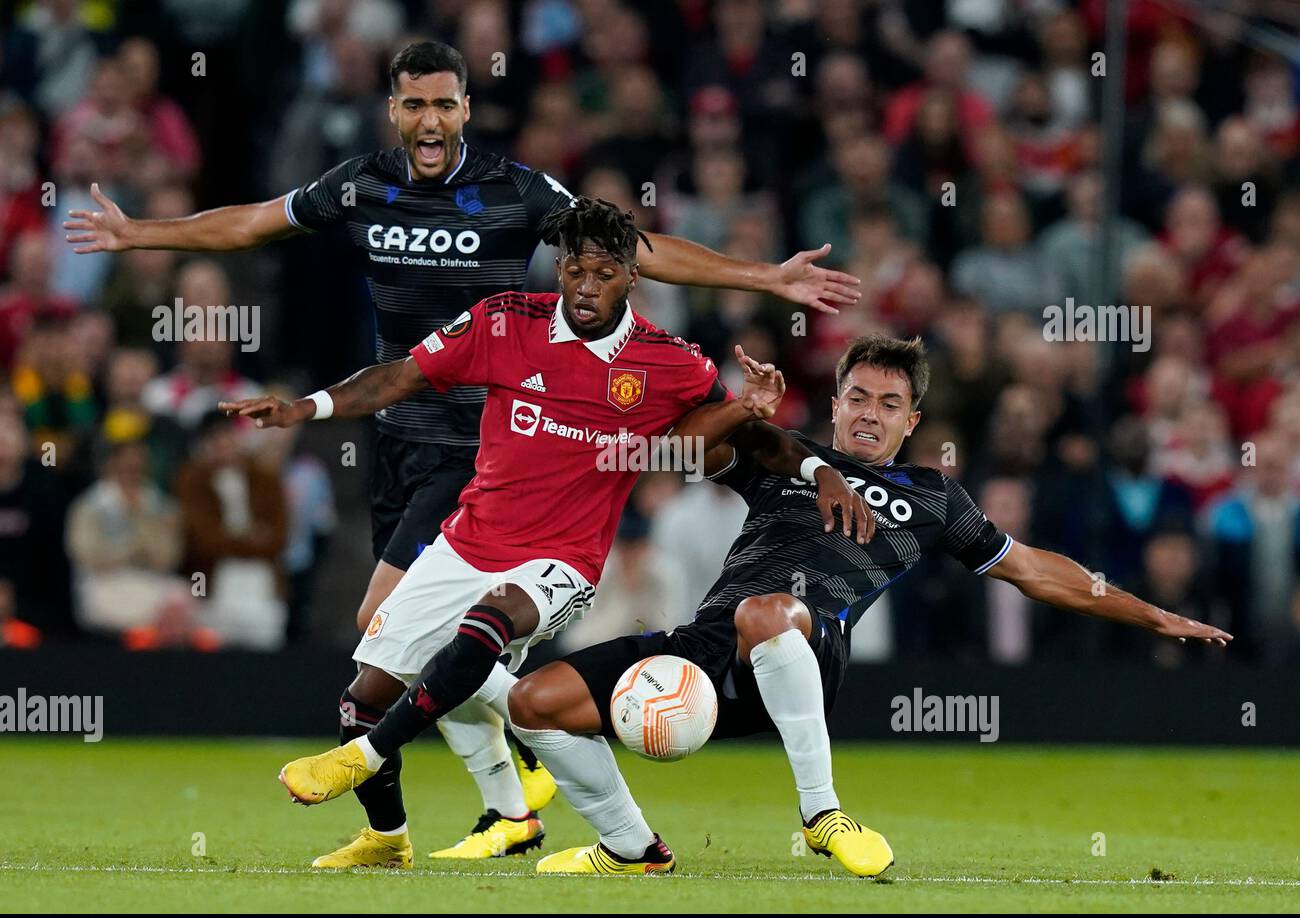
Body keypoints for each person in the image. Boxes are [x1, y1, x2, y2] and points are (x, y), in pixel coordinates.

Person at [65, 39, 862, 850]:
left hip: (484, 446)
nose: (431, 119)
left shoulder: (516, 191)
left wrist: (764, 277)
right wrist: (141, 235)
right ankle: (494, 802)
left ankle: (498, 786)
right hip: (400, 435)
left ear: (467, 110)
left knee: (394, 623)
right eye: (415, 104)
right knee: (387, 653)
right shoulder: (362, 183)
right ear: (394, 111)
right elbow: (253, 224)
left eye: (445, 103)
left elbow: (630, 248)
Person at [222, 198, 872, 869]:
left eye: (603, 273)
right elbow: (400, 377)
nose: (585, 286)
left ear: (631, 277)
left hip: (562, 559)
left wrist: (818, 464)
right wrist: (305, 407)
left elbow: (734, 440)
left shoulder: (668, 361)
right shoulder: (504, 322)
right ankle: (388, 839)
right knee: (362, 696)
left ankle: (368, 756)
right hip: (467, 540)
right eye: (573, 270)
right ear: (558, 268)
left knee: (487, 626)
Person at [499, 333, 1231, 876]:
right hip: (705, 649)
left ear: (912, 421)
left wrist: (1154, 613)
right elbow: (668, 452)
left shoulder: (936, 498)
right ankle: (632, 848)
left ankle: (821, 814)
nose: (870, 415)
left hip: (808, 647)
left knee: (767, 610)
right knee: (532, 701)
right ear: (835, 403)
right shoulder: (782, 455)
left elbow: (1037, 571)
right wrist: (739, 413)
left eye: (889, 404)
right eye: (857, 398)